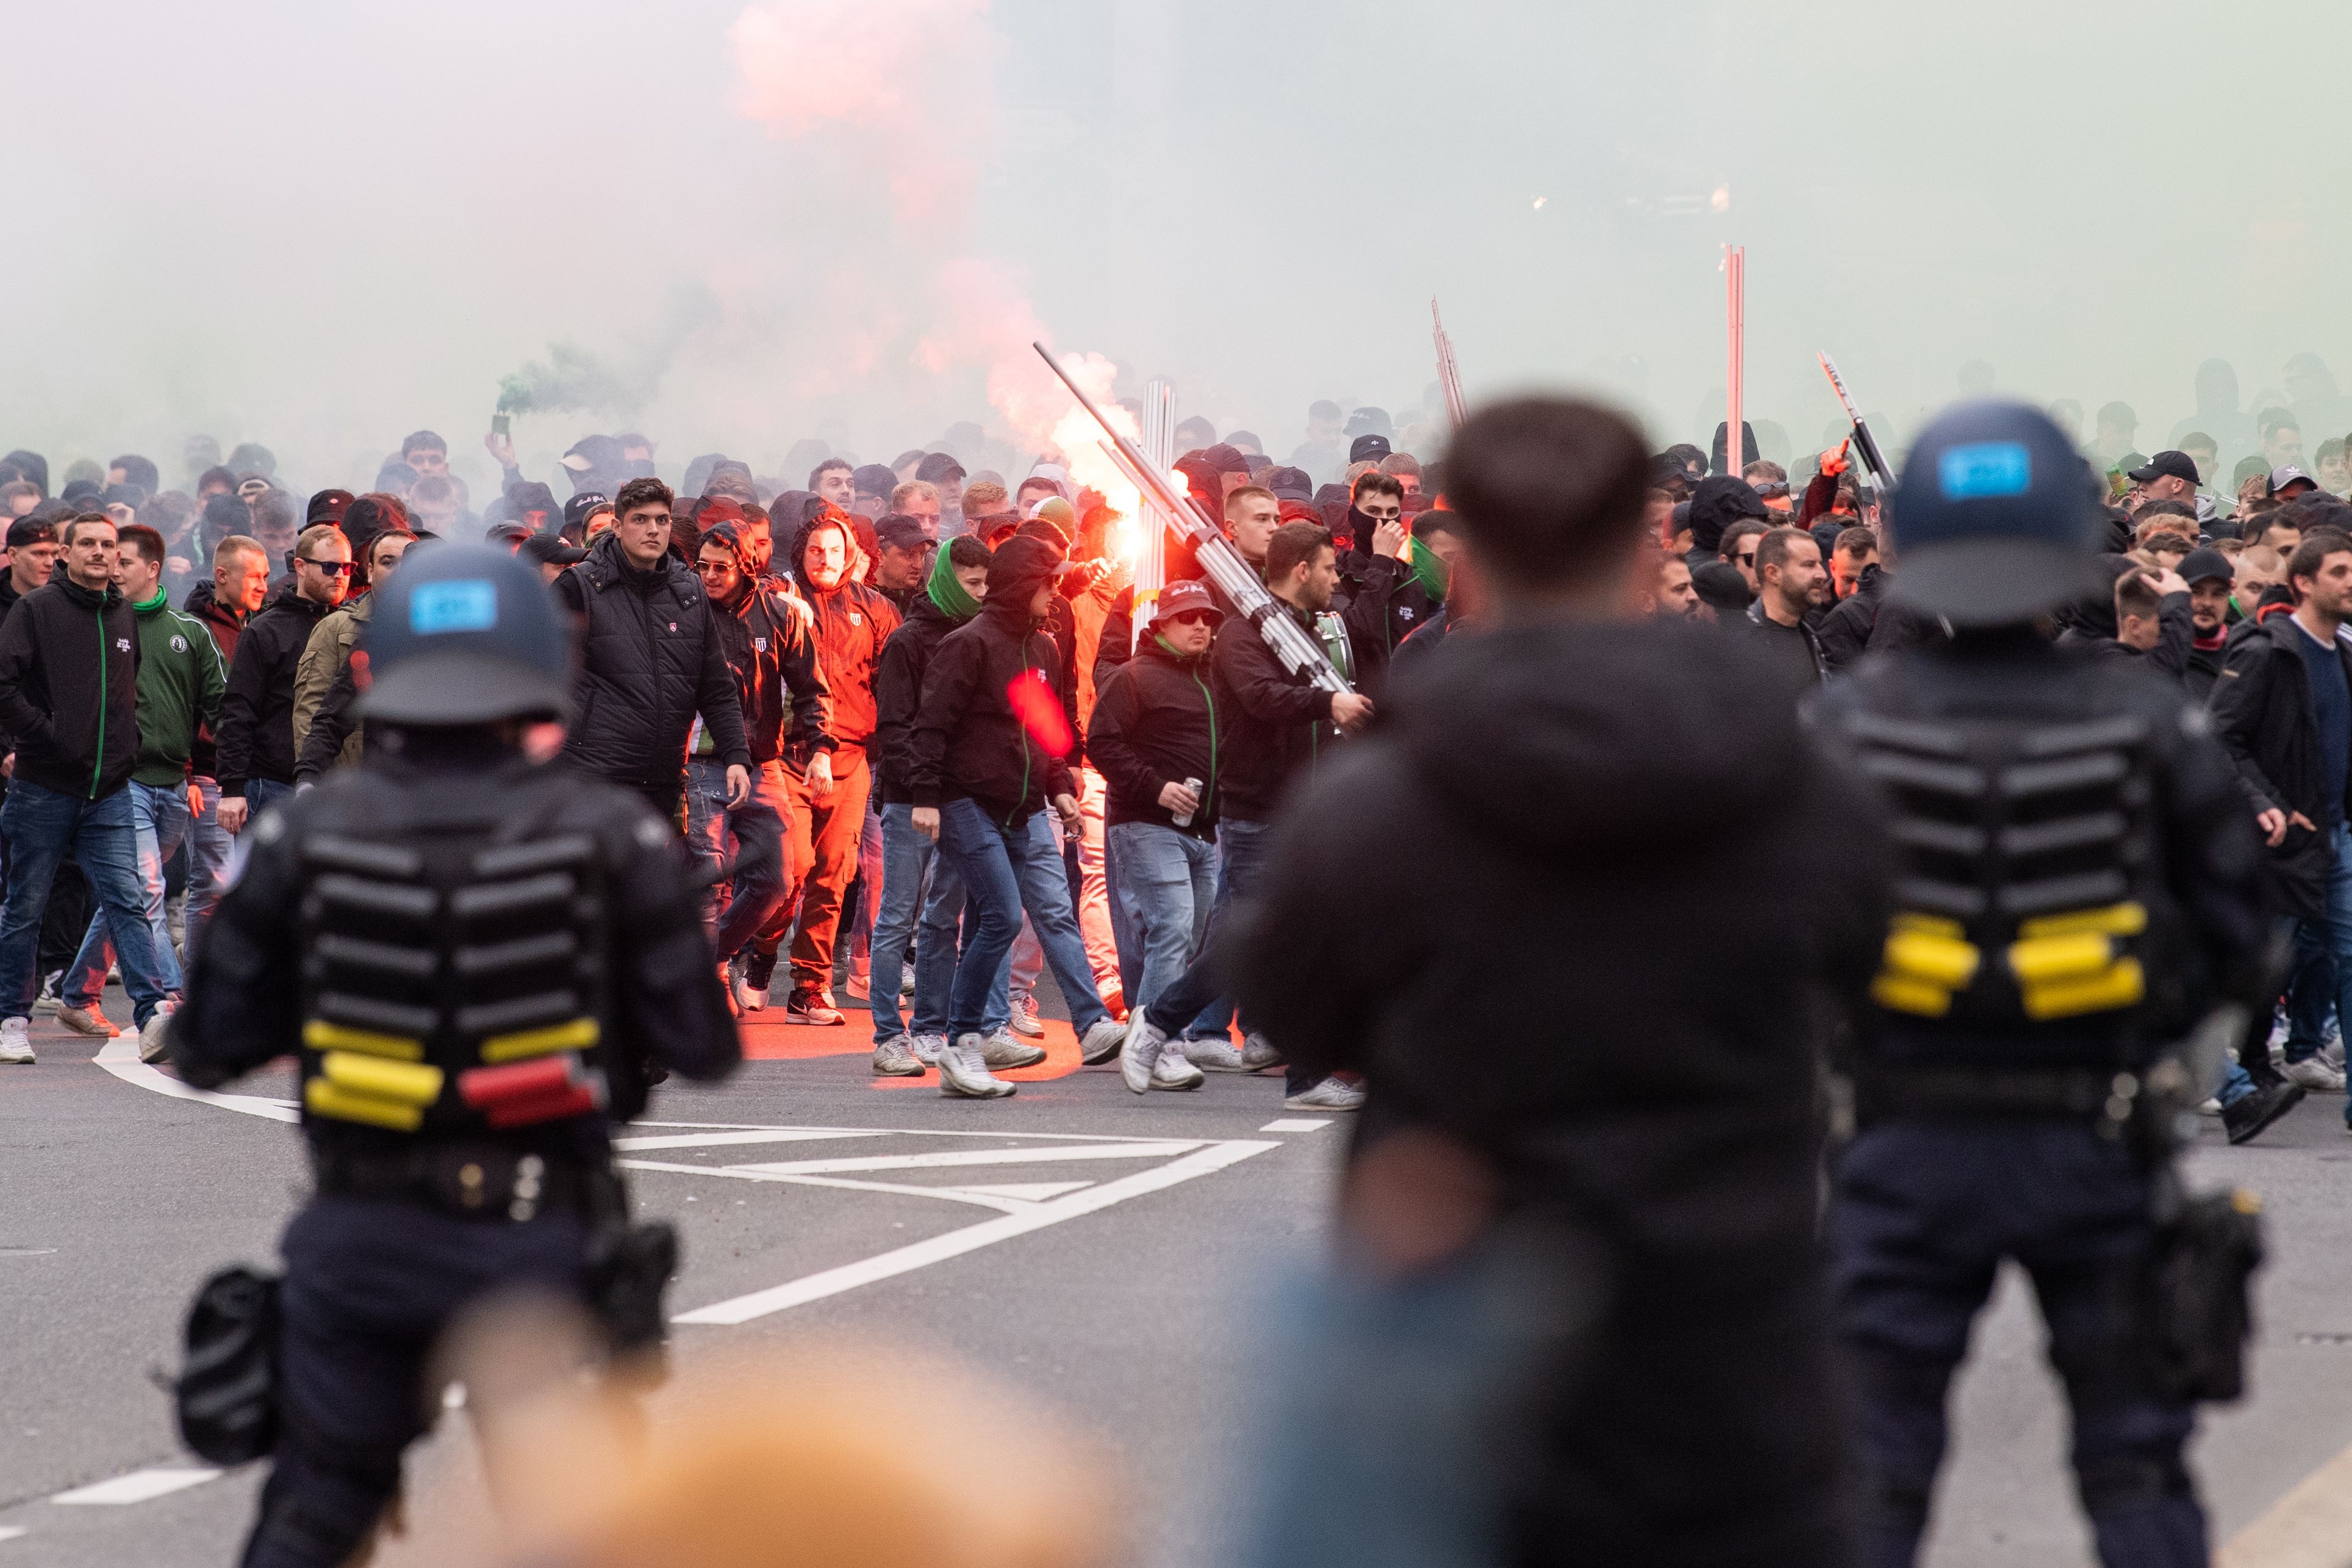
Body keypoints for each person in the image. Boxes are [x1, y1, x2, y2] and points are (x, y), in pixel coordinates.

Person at [1228, 396, 1883, 1566]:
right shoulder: (1797, 784)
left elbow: (1291, 1009)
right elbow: (1869, 966)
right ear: (1644, 548)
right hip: (1734, 1342)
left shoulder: (1384, 807)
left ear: (1464, 562)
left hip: (1466, 1350)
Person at [167, 542, 740, 1568]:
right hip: (538, 1235)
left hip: (363, 1233)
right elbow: (700, 1046)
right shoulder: (609, 835)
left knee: (315, 1511)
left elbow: (208, 1049)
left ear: (374, 672)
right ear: (544, 669)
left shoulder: (306, 838)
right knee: (582, 1527)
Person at [1816, 401, 2275, 1567]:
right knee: (2133, 1465)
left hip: (1899, 1142)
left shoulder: (1842, 726)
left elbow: (1769, 935)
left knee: (1866, 1475)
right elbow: (2237, 933)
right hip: (2096, 1139)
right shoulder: (2141, 719)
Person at [1118, 522, 1375, 1109]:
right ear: (1301, 571)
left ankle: (1295, 1072)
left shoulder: (1310, 630)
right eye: (1330, 568)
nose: (1337, 579)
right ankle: (1161, 1022)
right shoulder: (1243, 634)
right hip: (1258, 811)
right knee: (1263, 940)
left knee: (1278, 939)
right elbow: (1262, 698)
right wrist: (1326, 700)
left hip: (1305, 809)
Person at [906, 536, 1128, 1098]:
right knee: (1004, 915)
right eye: (1047, 581)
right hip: (964, 801)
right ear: (1021, 584)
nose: (1054, 592)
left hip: (1021, 803)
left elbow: (1045, 730)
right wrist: (927, 796)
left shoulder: (1045, 648)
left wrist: (1060, 788)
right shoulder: (968, 644)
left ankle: (975, 1041)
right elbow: (930, 724)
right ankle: (963, 1043)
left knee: (996, 919)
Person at [0, 515, 182, 1063]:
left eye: (109, 545)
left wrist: (126, 747)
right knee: (25, 906)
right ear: (66, 552)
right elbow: (3, 684)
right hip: (42, 787)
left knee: (129, 900)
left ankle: (153, 1017)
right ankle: (11, 1018)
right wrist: (48, 736)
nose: (101, 553)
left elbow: (129, 690)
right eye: (89, 544)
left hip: (110, 790)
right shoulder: (36, 610)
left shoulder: (121, 611)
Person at [53, 521, 223, 1052]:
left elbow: (219, 707)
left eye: (122, 560)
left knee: (128, 896)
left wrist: (208, 772)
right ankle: (171, 1006)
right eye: (105, 555)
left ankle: (79, 994)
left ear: (152, 568)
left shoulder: (190, 632)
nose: (111, 566)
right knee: (146, 890)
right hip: (119, 782)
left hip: (174, 783)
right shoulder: (97, 623)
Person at [737, 509, 897, 1022]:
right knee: (791, 869)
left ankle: (809, 985)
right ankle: (762, 953)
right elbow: (738, 600)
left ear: (850, 554)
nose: (825, 560)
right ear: (799, 555)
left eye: (834, 550)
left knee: (835, 874)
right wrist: (774, 598)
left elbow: (896, 674)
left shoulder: (875, 607)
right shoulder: (776, 598)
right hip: (788, 755)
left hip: (850, 755)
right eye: (815, 551)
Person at [2212, 529, 2352, 1101]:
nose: (2350, 582)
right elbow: (2221, 737)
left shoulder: (2343, 654)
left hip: (2338, 836)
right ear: (2304, 582)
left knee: (2346, 955)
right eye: (2339, 572)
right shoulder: (2268, 651)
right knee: (2259, 969)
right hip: (2284, 842)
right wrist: (2268, 803)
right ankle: (2233, 1076)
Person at [686, 520, 829, 1008]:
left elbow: (812, 688)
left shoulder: (781, 614)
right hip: (700, 760)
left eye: (721, 567)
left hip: (763, 764)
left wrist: (823, 749)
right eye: (701, 565)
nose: (708, 575)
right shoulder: (684, 610)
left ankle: (711, 960)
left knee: (778, 877)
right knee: (709, 877)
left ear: (747, 566)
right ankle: (701, 989)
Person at [553, 478, 750, 823]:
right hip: (595, 778)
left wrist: (736, 755)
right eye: (640, 519)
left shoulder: (689, 590)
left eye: (662, 520)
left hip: (663, 779)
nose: (653, 530)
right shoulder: (579, 587)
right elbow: (546, 682)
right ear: (617, 526)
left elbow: (716, 688)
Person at [868, 535, 991, 1076]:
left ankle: (930, 1028)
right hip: (909, 800)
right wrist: (920, 793)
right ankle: (888, 1036)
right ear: (947, 579)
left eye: (987, 582)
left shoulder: (979, 637)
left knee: (945, 917)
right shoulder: (907, 641)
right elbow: (894, 728)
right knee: (898, 915)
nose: (984, 593)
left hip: (960, 798)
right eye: (973, 583)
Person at [216, 524, 353, 834]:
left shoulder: (351, 626)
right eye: (330, 566)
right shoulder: (265, 631)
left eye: (347, 567)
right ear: (301, 567)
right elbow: (237, 710)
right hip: (272, 784)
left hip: (333, 783)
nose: (340, 575)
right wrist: (233, 787)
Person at [182, 535, 271, 931]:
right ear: (222, 575)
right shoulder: (195, 630)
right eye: (254, 577)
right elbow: (180, 706)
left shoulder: (262, 625)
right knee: (212, 888)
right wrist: (186, 776)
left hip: (252, 774)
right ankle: (194, 989)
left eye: (267, 577)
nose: (264, 586)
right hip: (208, 775)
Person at [291, 527, 414, 771]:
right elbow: (312, 709)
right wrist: (315, 779)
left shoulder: (433, 630)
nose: (399, 571)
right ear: (370, 572)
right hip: (348, 781)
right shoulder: (336, 627)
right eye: (388, 562)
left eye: (408, 562)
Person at [1744, 525, 1828, 690]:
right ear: (1773, 573)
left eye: (1820, 564)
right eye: (1809, 565)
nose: (1822, 575)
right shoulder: (1743, 643)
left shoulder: (1809, 636)